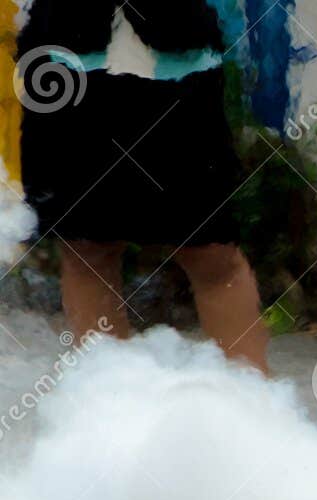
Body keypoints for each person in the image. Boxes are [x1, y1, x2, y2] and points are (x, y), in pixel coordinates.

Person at [16, 0, 269, 371]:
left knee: (210, 250)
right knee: (86, 247)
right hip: (66, 73)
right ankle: (113, 399)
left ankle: (256, 406)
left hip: (181, 71)